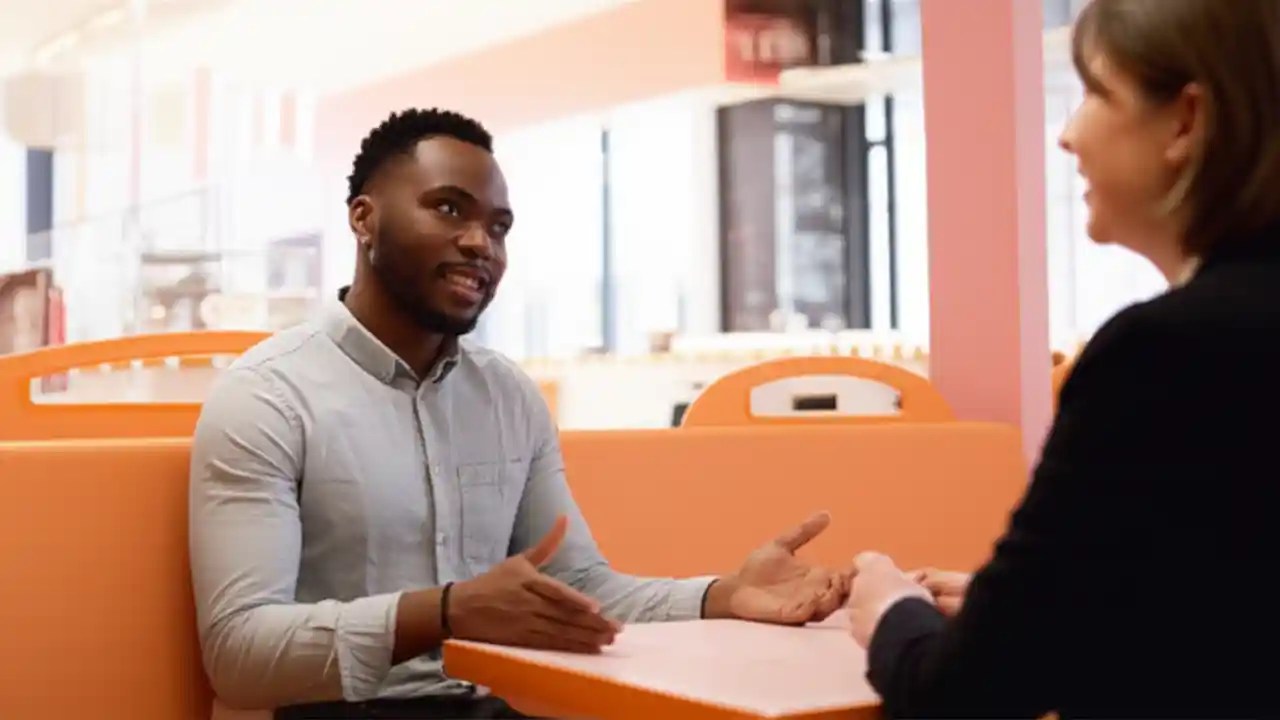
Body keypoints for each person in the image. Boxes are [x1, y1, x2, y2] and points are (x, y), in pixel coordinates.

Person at [189, 108, 847, 719]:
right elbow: (239, 656)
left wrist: (724, 596)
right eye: (448, 208)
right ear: (364, 218)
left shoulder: (507, 396)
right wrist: (445, 612)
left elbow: (581, 590)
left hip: (489, 703)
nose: (481, 242)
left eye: (499, 227)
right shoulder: (267, 395)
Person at [845, 1, 1280, 717]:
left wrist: (891, 613)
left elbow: (964, 694)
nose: (1067, 135)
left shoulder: (1163, 353)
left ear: (1186, 121)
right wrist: (1034, 609)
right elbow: (1235, 612)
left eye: (1095, 94)